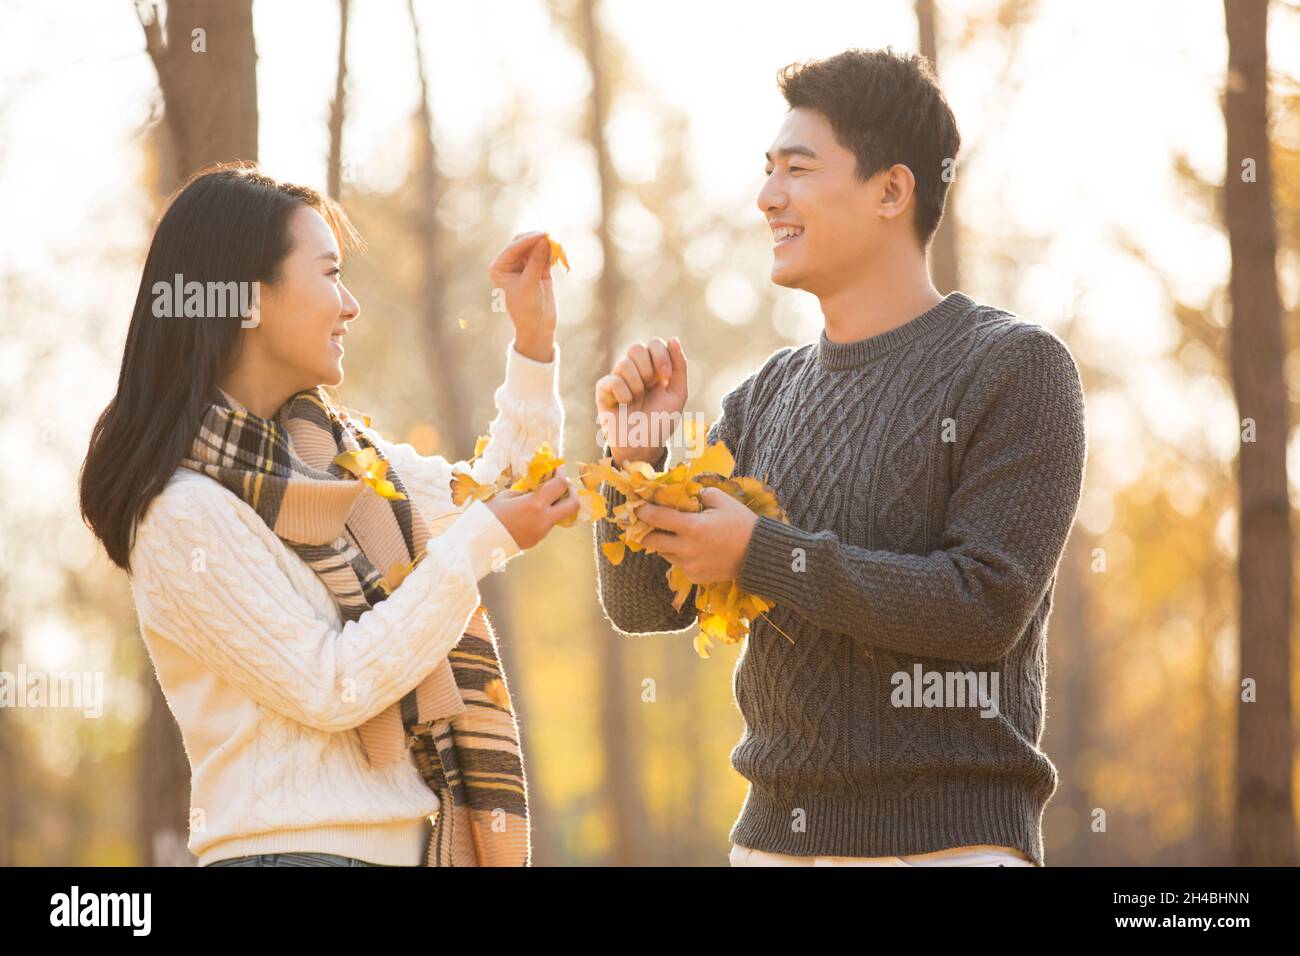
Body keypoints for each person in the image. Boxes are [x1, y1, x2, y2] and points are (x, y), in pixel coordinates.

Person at [592, 48, 1087, 867]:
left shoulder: (1015, 368)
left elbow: (982, 607)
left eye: (797, 169)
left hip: (948, 847)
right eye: (766, 170)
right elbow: (648, 602)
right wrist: (640, 460)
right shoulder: (764, 396)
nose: (766, 197)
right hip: (770, 846)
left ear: (892, 190)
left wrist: (762, 555)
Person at [80, 162, 577, 866]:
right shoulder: (183, 517)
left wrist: (532, 344)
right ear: (247, 300)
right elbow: (331, 683)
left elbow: (499, 492)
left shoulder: (336, 463)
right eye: (329, 273)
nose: (350, 305)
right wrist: (474, 547)